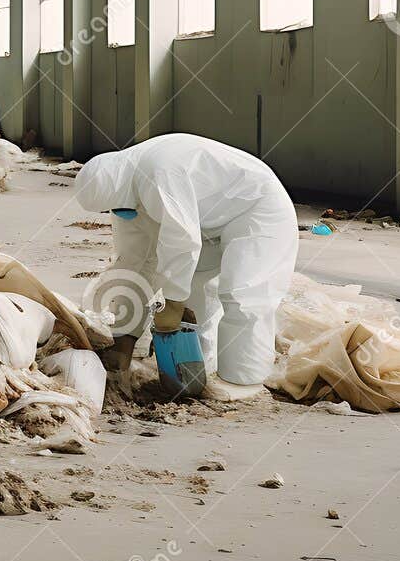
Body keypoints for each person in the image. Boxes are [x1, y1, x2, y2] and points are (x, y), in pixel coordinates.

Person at [74, 133, 297, 400]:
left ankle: (244, 382)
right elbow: (134, 263)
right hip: (209, 222)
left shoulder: (159, 171)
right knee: (194, 294)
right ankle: (202, 366)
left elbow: (182, 240)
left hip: (257, 210)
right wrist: (124, 337)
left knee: (243, 293)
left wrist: (171, 302)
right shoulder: (123, 195)